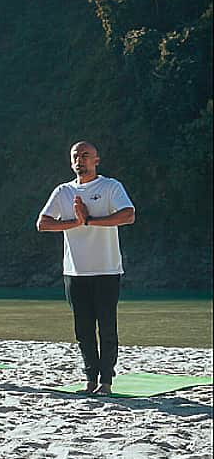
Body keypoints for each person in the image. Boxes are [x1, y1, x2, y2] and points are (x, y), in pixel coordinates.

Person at [36, 141, 135, 395]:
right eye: (75, 156)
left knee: (107, 327)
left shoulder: (110, 186)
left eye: (85, 156)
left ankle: (106, 382)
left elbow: (128, 215)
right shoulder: (63, 191)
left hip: (107, 269)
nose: (80, 160)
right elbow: (43, 224)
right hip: (75, 271)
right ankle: (90, 378)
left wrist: (89, 220)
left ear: (96, 160)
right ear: (71, 162)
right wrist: (75, 222)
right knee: (83, 329)